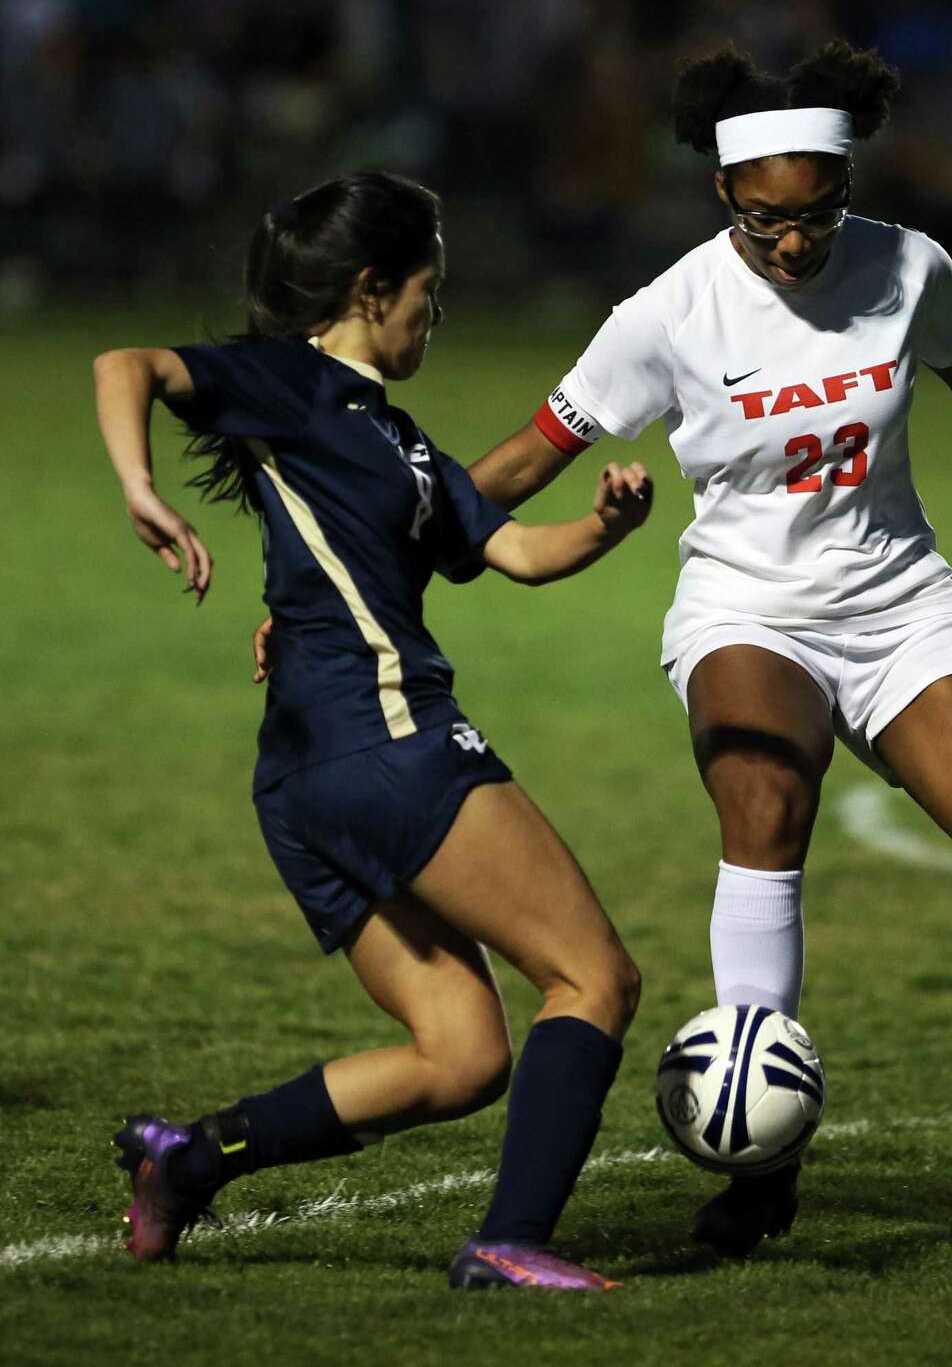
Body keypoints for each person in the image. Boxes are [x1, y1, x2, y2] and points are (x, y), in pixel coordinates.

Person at [462, 40, 952, 1256]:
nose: (789, 243)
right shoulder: (666, 314)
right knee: (766, 809)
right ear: (723, 191)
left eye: (814, 215)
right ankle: (761, 1170)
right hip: (747, 609)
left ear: (845, 187)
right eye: (763, 219)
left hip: (901, 604)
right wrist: (363, 558)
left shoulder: (909, 267)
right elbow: (525, 456)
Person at [94, 169, 653, 1290]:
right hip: (389, 738)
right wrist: (141, 490)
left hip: (307, 777)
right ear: (370, 290)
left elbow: (516, 553)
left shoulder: (398, 442)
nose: (435, 316)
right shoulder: (294, 382)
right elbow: (128, 365)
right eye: (427, 294)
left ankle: (189, 1158)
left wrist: (604, 523)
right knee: (594, 977)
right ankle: (510, 1242)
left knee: (463, 1054)